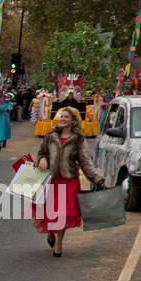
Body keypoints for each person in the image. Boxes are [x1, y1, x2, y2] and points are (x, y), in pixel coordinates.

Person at [35, 106, 106, 257]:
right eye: (61, 116)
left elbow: (85, 160)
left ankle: (59, 243)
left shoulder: (78, 139)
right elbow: (41, 152)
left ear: (73, 121)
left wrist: (96, 177)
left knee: (62, 213)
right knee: (49, 211)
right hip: (51, 179)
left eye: (66, 117)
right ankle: (50, 233)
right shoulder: (50, 135)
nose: (62, 119)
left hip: (68, 180)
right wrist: (42, 160)